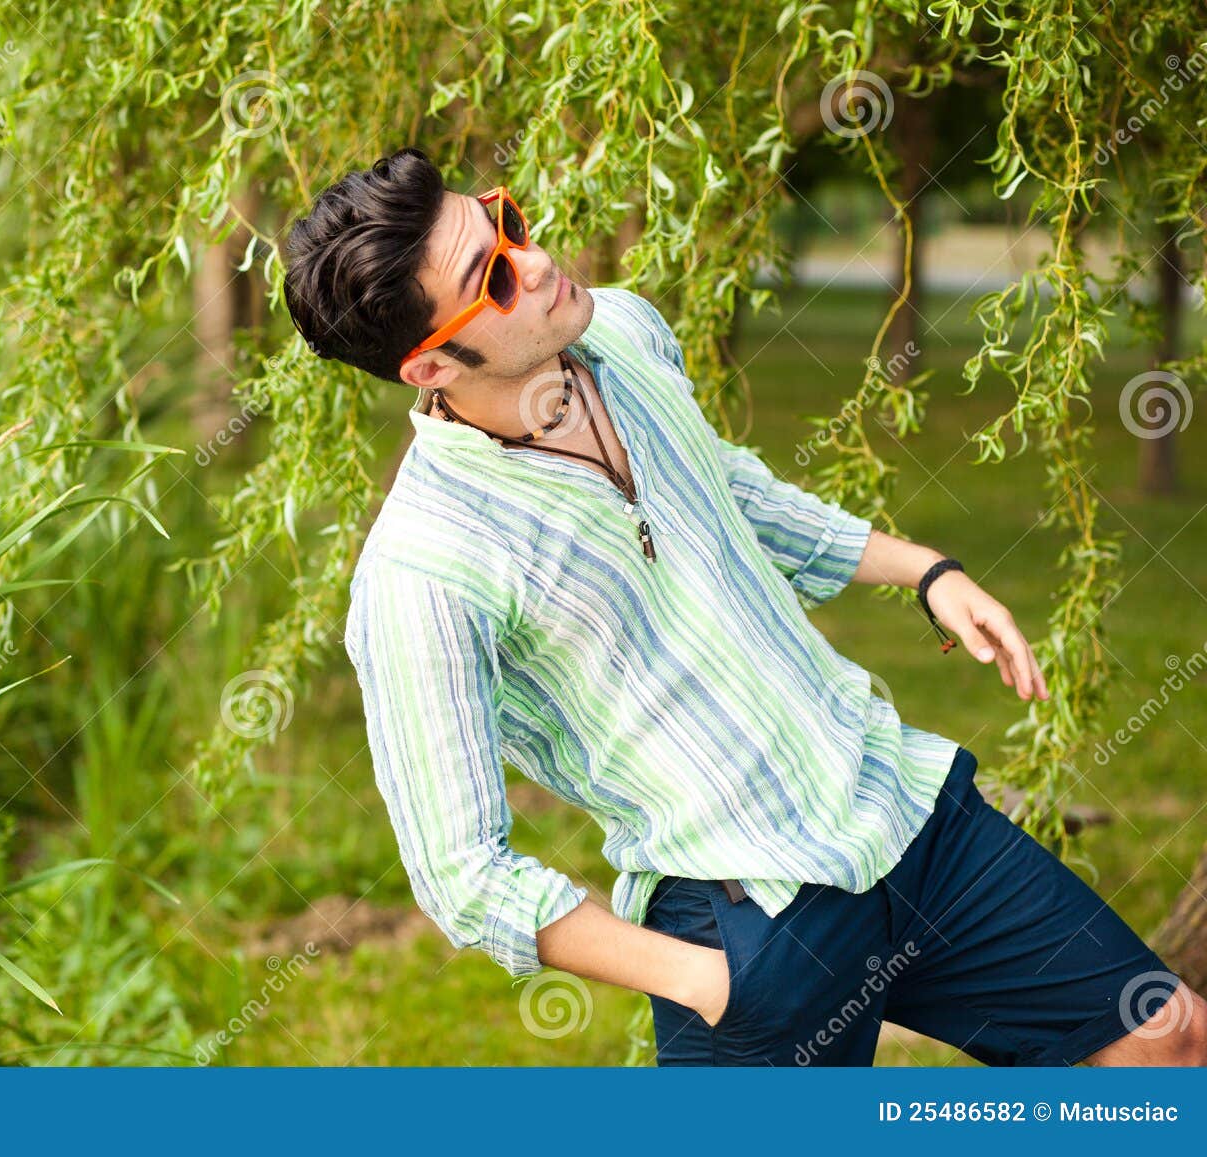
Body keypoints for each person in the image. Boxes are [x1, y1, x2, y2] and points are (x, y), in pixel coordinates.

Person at [279, 146, 1206, 1066]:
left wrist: (926, 571)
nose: (539, 260)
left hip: (894, 803)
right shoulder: (422, 571)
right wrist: (709, 981)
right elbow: (461, 872)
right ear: (430, 367)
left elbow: (726, 488)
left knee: (1170, 1040)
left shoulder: (625, 333)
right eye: (492, 278)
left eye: (506, 223)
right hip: (744, 915)